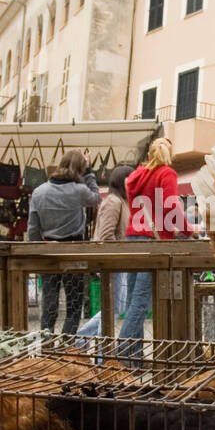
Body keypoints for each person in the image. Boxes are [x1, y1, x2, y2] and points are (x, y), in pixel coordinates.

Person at [119, 138, 188, 361]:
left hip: (133, 237)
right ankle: (119, 358)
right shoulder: (166, 173)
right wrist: (186, 229)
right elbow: (171, 204)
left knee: (132, 300)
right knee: (141, 302)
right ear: (169, 155)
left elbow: (137, 206)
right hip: (154, 240)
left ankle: (134, 360)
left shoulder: (137, 176)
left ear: (149, 155)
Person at [27, 149, 99, 335]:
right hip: (74, 251)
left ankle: (47, 343)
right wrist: (90, 172)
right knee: (74, 303)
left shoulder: (38, 192)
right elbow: (96, 198)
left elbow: (33, 229)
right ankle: (67, 345)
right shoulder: (79, 191)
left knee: (49, 301)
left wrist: (39, 248)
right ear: (80, 169)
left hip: (48, 252)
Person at [78, 164, 133, 339]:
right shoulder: (113, 202)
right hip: (112, 261)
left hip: (117, 261)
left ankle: (88, 342)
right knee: (114, 308)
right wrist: (120, 254)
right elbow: (106, 235)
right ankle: (82, 339)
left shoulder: (119, 201)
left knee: (116, 307)